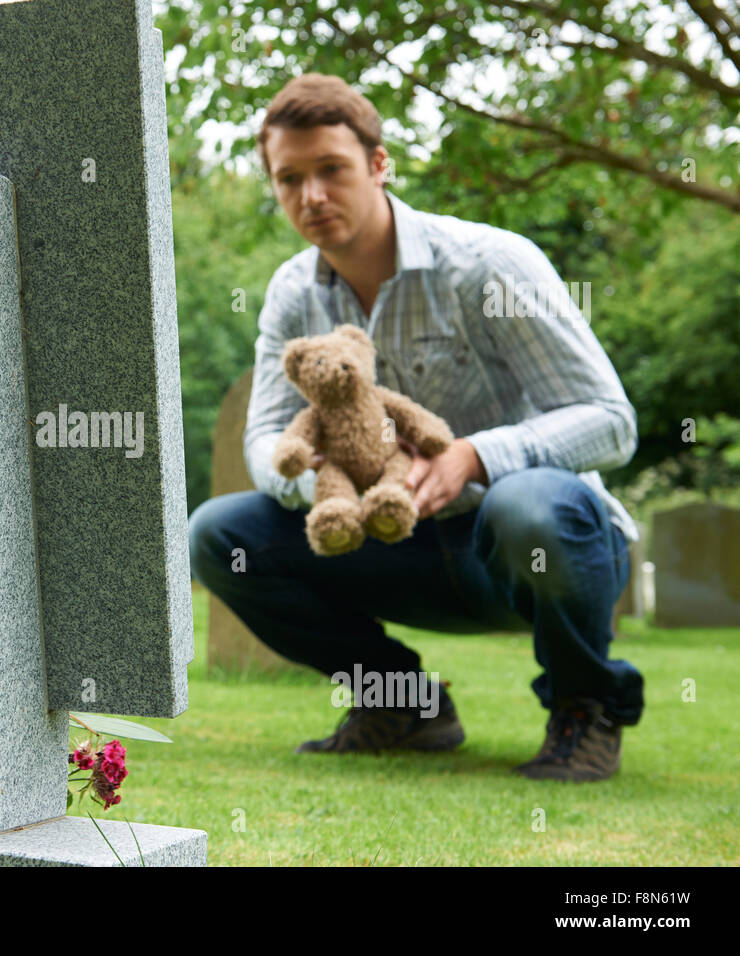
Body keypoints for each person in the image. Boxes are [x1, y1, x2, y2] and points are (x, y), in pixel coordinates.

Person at [188, 73, 642, 782]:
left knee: (530, 504)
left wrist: (475, 456)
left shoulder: (491, 265)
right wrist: (319, 487)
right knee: (220, 533)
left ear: (378, 164)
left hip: (522, 550)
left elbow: (612, 422)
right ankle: (401, 704)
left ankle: (585, 709)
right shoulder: (288, 293)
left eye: (332, 170)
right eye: (289, 178)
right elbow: (264, 438)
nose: (311, 196)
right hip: (386, 544)